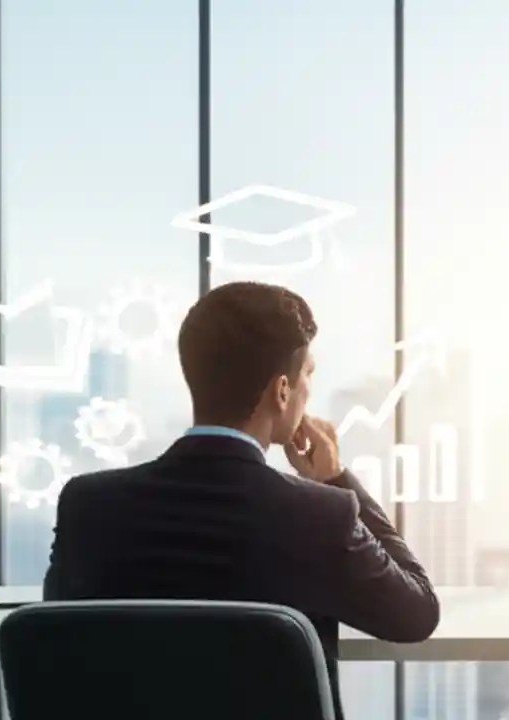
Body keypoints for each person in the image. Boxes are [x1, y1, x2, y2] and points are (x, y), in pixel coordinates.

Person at [44, 280, 439, 719]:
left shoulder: (87, 505)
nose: (310, 390)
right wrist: (336, 479)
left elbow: (62, 641)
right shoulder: (320, 516)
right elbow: (417, 613)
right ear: (282, 391)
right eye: (309, 374)